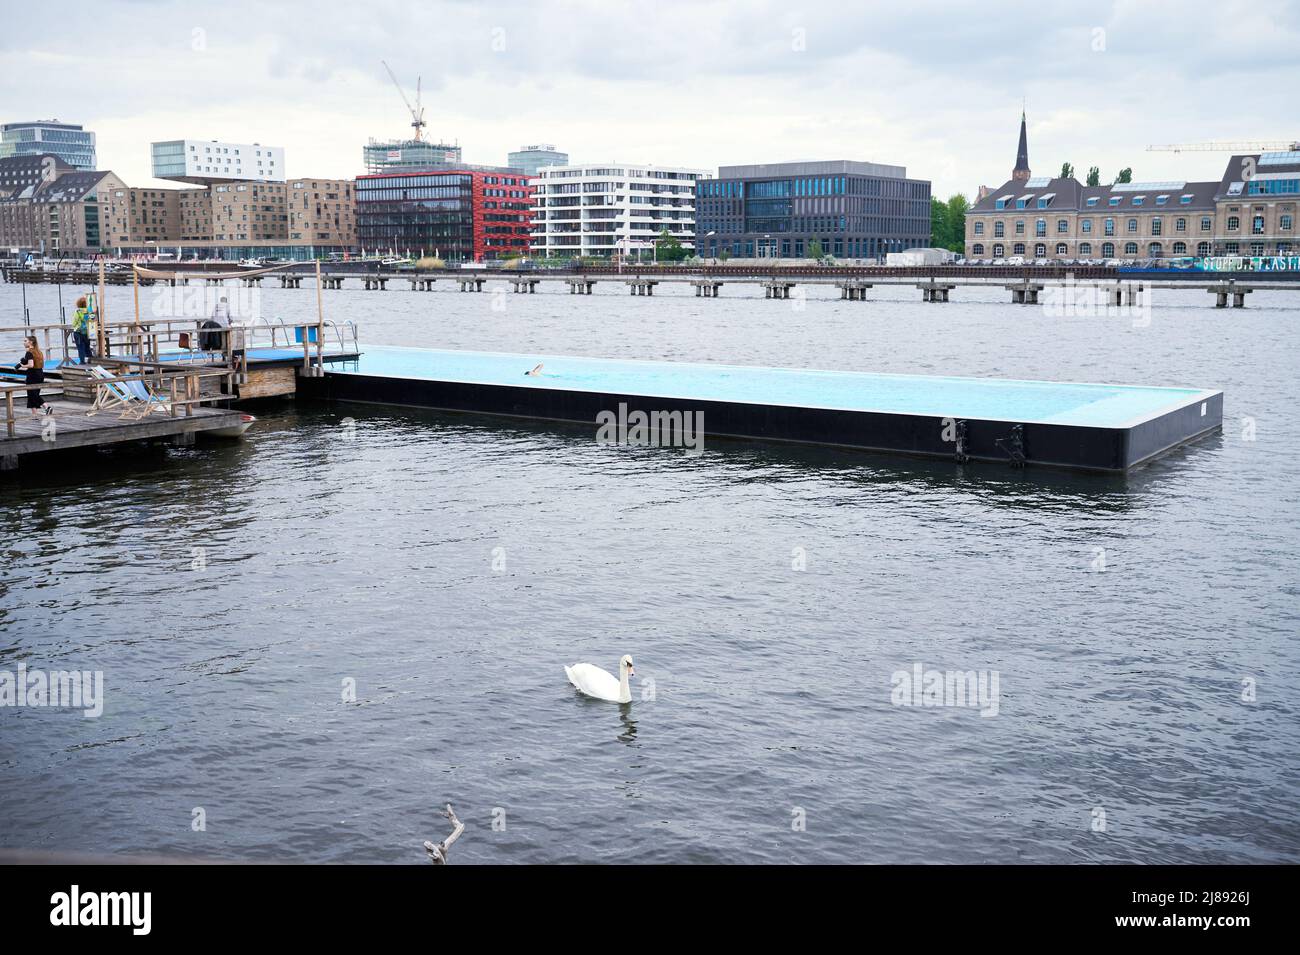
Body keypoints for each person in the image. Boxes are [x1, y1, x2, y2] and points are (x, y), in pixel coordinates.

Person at [15, 336, 51, 418]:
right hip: (40, 373)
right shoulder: (39, 352)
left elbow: (31, 365)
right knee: (34, 393)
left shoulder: (29, 352)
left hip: (33, 374)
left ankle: (46, 407)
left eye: (25, 341)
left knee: (32, 394)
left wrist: (22, 365)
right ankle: (35, 414)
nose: (23, 342)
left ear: (30, 342)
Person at [71, 295, 94, 364]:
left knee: (80, 347)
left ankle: (82, 361)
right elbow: (93, 320)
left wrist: (75, 326)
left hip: (78, 332)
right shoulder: (90, 311)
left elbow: (74, 323)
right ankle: (91, 360)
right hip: (87, 332)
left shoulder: (78, 312)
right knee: (87, 346)